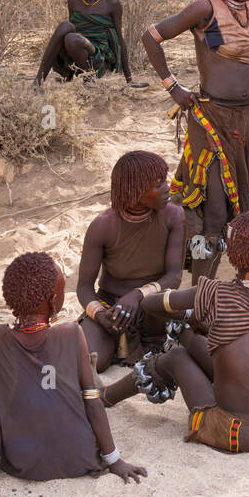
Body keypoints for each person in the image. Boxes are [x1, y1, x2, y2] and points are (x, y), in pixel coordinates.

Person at [101, 212, 249, 454]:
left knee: (175, 357)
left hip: (232, 433)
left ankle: (105, 396)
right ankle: (184, 337)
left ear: (231, 255)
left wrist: (190, 315)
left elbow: (150, 305)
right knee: (201, 343)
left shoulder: (212, 293)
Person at [0, 252, 148, 497]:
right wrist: (115, 461)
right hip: (78, 458)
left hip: (21, 463)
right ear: (53, 301)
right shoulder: (71, 333)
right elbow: (92, 402)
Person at [142, 0, 249, 281]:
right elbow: (151, 36)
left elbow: (248, 63)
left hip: (246, 119)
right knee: (213, 213)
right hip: (213, 120)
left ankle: (233, 292)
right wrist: (173, 86)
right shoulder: (205, 9)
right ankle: (201, 296)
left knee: (244, 207)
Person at [76, 151, 184, 373]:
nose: (168, 188)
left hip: (155, 306)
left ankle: (148, 341)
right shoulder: (103, 225)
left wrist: (137, 295)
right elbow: (84, 286)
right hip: (111, 307)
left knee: (170, 328)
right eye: (158, 184)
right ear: (135, 190)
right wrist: (99, 314)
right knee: (93, 360)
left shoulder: (174, 216)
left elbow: (174, 276)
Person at [34, 0, 132, 86]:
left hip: (97, 57)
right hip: (74, 50)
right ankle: (38, 81)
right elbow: (70, 31)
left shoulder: (111, 3)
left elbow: (119, 40)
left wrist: (129, 79)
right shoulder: (73, 0)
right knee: (66, 27)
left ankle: (89, 79)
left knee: (72, 39)